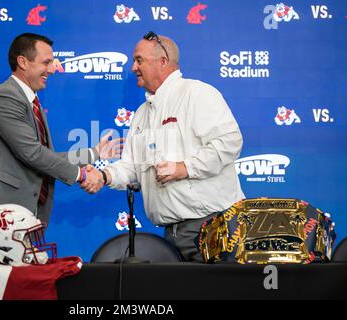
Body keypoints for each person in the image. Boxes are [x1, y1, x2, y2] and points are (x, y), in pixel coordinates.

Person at [0, 33, 118, 278]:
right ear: (23, 62)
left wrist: (92, 153)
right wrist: (82, 174)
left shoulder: (30, 102)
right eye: (46, 62)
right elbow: (31, 153)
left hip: (9, 225)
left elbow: (42, 155)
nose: (52, 69)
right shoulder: (5, 96)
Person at [81, 31, 245, 262]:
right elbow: (131, 166)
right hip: (172, 235)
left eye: (139, 60)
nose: (133, 68)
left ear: (163, 61)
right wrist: (104, 175)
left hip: (214, 229)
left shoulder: (197, 93)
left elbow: (229, 141)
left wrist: (184, 167)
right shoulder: (141, 114)